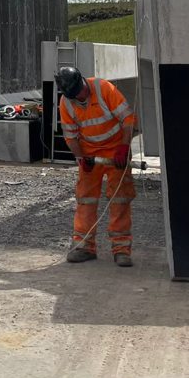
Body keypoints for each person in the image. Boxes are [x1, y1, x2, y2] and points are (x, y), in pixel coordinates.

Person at [56, 65, 136, 267]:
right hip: (90, 153)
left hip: (117, 150)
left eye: (80, 90)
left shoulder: (103, 89)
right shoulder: (66, 103)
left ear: (83, 81)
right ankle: (83, 246)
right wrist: (81, 158)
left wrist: (124, 147)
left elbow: (127, 118)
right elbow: (71, 137)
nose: (80, 96)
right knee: (86, 199)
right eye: (75, 95)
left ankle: (121, 249)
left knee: (120, 198)